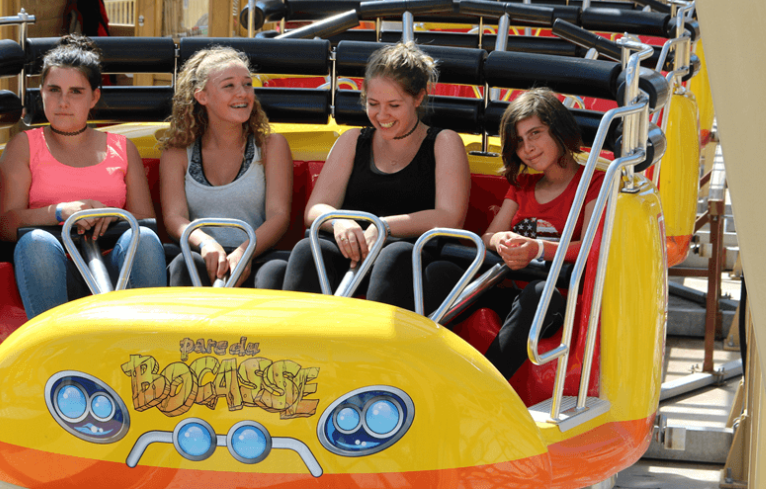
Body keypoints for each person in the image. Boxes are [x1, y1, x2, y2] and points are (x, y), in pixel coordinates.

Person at [280, 42, 470, 312]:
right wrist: (340, 224)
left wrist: (381, 227)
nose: (382, 116)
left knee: (395, 255)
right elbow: (316, 209)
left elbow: (450, 217)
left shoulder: (443, 142)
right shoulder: (353, 140)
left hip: (416, 255)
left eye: (394, 105)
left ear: (417, 98)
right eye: (373, 104)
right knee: (309, 250)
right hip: (353, 250)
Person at [430, 89, 606, 380]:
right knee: (441, 271)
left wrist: (535, 248)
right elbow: (489, 237)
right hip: (505, 287)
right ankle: (418, 368)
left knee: (538, 293)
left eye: (535, 134)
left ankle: (482, 387)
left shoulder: (593, 181)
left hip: (553, 299)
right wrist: (503, 241)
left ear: (559, 130)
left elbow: (588, 248)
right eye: (520, 141)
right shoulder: (522, 184)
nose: (528, 147)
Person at [0, 35, 166, 319]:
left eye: (75, 91)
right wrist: (64, 212)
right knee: (35, 243)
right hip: (53, 268)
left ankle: (146, 341)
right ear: (41, 92)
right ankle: (53, 350)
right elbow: (6, 224)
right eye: (54, 90)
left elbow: (146, 221)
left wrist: (112, 214)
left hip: (115, 268)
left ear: (94, 97)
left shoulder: (122, 148)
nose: (63, 102)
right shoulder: (23, 146)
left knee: (145, 238)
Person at [160, 47, 292, 289]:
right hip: (201, 253)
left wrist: (244, 253)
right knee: (183, 265)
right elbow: (173, 217)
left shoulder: (271, 145)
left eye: (247, 84)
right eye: (229, 86)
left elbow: (279, 216)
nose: (242, 94)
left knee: (275, 273)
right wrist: (206, 244)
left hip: (257, 254)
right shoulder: (177, 151)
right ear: (202, 96)